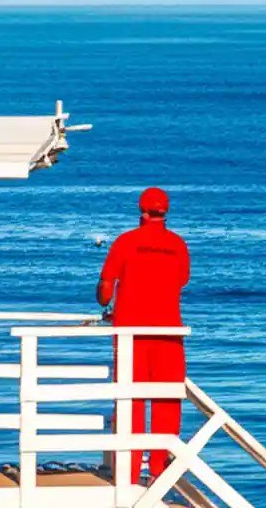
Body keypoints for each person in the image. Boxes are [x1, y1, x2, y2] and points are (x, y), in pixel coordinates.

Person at [97, 187, 190, 482]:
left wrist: (105, 302)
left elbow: (106, 288)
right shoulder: (178, 245)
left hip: (131, 333)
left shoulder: (126, 242)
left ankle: (130, 470)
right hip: (168, 334)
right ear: (166, 212)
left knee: (130, 401)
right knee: (166, 401)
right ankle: (159, 469)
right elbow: (181, 280)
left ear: (142, 211)